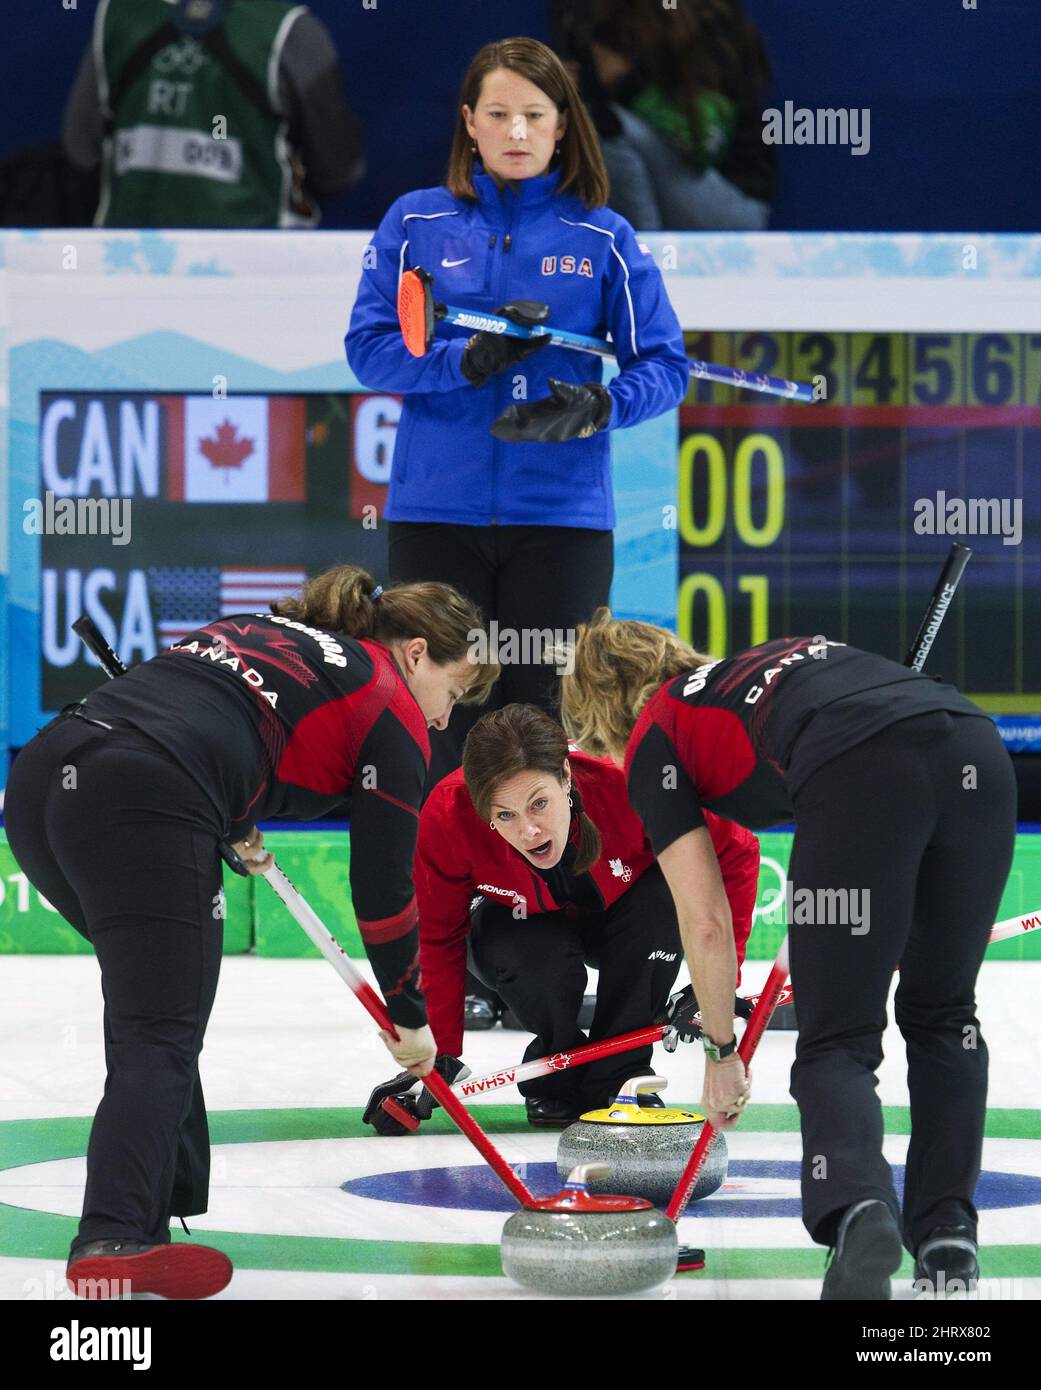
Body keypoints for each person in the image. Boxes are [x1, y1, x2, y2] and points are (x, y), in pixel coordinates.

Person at [3, 564, 497, 1300]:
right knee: (160, 1029)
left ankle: (154, 1211)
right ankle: (112, 1237)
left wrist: (234, 819)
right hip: (145, 796)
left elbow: (208, 710)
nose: (441, 720)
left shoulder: (270, 631)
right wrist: (408, 1013)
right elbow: (384, 889)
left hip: (45, 778)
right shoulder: (390, 704)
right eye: (452, 694)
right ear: (417, 653)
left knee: (153, 1013)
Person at [561, 614, 1017, 1300]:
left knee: (837, 1036)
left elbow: (704, 920)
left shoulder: (659, 731)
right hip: (974, 747)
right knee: (943, 1010)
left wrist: (721, 1052)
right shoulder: (782, 656)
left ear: (603, 710)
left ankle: (857, 1209)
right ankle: (946, 1234)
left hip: (858, 771)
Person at [344, 35, 690, 792]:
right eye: (498, 114)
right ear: (469, 122)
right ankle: (445, 907)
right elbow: (367, 349)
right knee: (442, 729)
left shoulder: (602, 236)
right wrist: (457, 364)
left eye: (534, 114)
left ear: (563, 124)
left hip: (559, 521)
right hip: (437, 516)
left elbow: (665, 365)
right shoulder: (414, 224)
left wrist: (601, 405)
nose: (517, 132)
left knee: (546, 728)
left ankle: (548, 900)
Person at [363, 703, 759, 1131]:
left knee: (663, 901)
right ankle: (556, 1071)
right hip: (518, 926)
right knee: (531, 956)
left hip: (626, 919)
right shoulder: (445, 816)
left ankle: (621, 1072)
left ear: (566, 778)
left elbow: (738, 849)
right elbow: (437, 936)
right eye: (505, 816)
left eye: (539, 804)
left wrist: (717, 981)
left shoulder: (629, 780)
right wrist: (435, 1053)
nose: (529, 831)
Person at [61, 0, 364, 228]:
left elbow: (80, 150)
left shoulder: (115, 16)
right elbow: (337, 171)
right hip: (259, 272)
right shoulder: (291, 33)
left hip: (126, 264)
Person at [555, 0, 776, 230]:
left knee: (605, 128)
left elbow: (703, 142)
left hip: (733, 204)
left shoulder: (707, 16)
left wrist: (625, 82)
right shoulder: (605, 24)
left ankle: (640, 257)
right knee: (586, 126)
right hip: (671, 196)